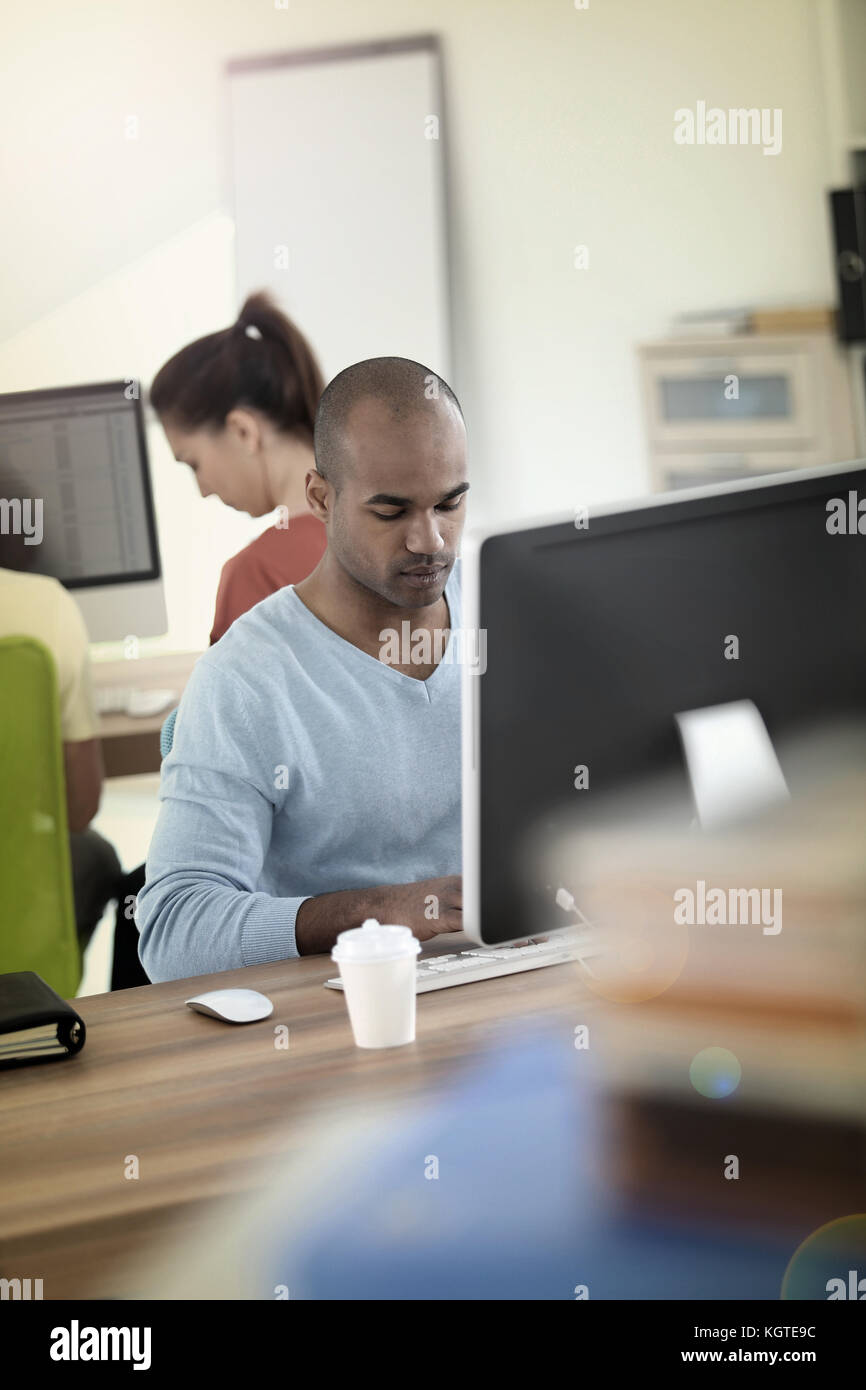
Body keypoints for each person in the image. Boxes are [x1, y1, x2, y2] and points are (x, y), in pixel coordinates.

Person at [137, 356, 468, 981]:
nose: (431, 542)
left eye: (450, 504)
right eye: (391, 513)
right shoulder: (245, 677)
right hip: (339, 1023)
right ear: (320, 496)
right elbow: (173, 930)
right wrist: (380, 913)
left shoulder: (513, 600)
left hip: (521, 987)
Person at [149, 291, 327, 645]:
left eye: (193, 463)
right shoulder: (397, 536)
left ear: (243, 431)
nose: (202, 489)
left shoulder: (255, 576)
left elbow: (223, 703)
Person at [0, 505, 122, 963]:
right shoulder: (46, 605)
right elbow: (79, 809)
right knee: (93, 855)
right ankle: (33, 998)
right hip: (14, 903)